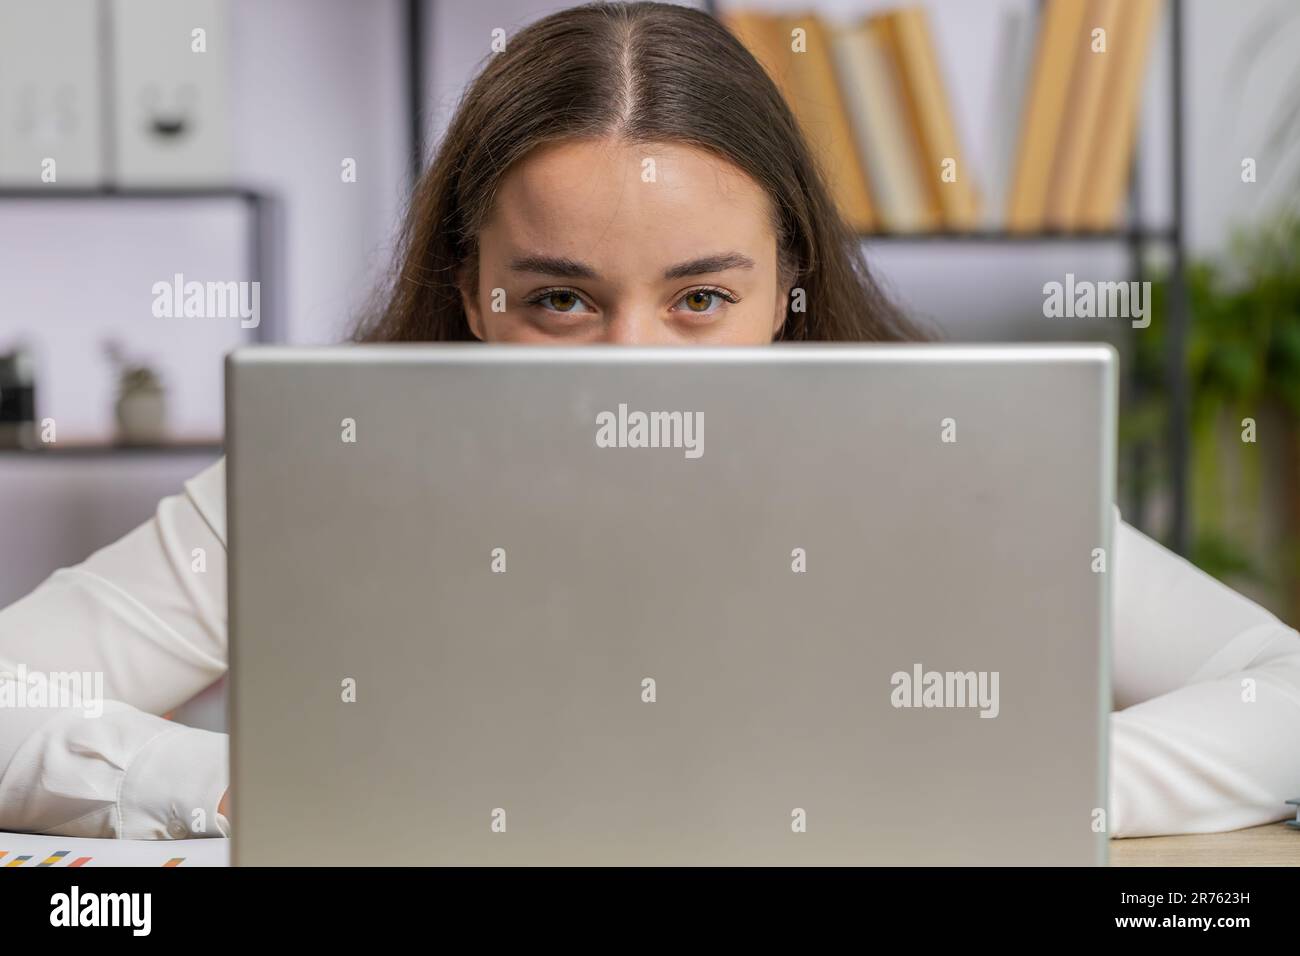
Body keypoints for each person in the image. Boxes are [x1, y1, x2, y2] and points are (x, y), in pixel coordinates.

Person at [1, 1, 1297, 842]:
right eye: (561, 299)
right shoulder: (314, 484)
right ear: (471, 290)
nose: (629, 367)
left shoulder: (932, 472)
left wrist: (1002, 789)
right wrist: (213, 788)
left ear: (787, 286)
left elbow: (1281, 695)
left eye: (699, 299)